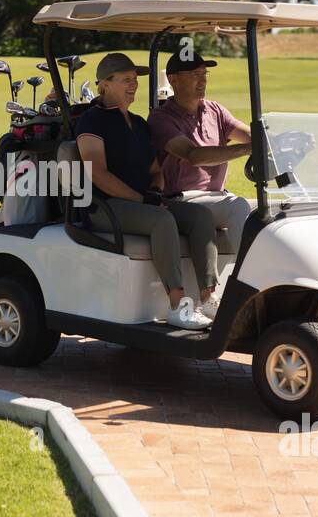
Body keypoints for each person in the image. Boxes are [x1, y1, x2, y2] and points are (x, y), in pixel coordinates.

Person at [76, 52, 218, 330]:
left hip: (142, 203)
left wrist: (154, 191)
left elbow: (155, 169)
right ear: (105, 83)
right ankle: (177, 305)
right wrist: (143, 200)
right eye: (126, 79)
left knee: (201, 216)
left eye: (135, 79)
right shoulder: (92, 121)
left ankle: (208, 297)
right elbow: (98, 174)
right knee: (162, 220)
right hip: (104, 206)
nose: (134, 85)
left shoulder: (139, 123)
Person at [148, 49, 254, 244]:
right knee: (238, 207)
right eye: (194, 75)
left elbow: (249, 136)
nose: (202, 80)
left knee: (267, 211)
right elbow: (193, 155)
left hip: (216, 197)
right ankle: (248, 274)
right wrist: (247, 149)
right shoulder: (161, 118)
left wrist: (277, 139)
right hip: (180, 201)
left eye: (204, 74)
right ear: (173, 80)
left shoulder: (215, 110)